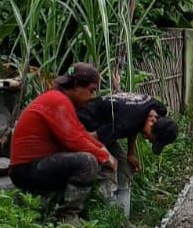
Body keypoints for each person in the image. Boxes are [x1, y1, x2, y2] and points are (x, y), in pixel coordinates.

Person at [9, 63, 115, 219]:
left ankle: (83, 214)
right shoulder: (57, 100)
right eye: (91, 90)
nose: (92, 96)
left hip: (36, 165)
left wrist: (102, 148)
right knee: (87, 162)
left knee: (94, 157)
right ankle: (67, 217)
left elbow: (79, 131)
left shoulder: (59, 99)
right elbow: (73, 139)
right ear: (77, 85)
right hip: (27, 169)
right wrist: (104, 156)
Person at [78, 92, 180, 217]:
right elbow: (90, 138)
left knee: (125, 167)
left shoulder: (157, 109)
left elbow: (136, 125)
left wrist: (130, 153)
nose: (147, 139)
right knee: (109, 170)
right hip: (86, 126)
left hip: (107, 128)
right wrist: (106, 157)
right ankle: (110, 219)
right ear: (152, 120)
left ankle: (123, 221)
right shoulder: (125, 121)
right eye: (150, 137)